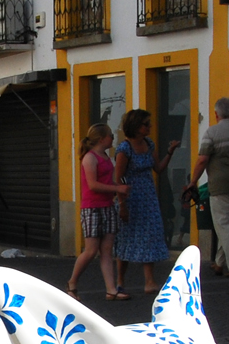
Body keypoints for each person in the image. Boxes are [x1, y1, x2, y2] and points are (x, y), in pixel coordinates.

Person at [113, 109, 179, 294]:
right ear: (136, 126)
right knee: (126, 238)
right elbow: (119, 179)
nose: (149, 127)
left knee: (149, 235)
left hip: (148, 197)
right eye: (146, 124)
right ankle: (120, 280)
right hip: (131, 197)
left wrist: (170, 153)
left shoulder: (149, 144)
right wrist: (123, 205)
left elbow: (158, 168)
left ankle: (149, 280)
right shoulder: (124, 149)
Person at [184, 97, 229, 277]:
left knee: (224, 225)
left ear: (216, 114)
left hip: (219, 185)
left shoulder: (212, 133)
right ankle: (219, 263)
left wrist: (193, 181)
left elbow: (202, 160)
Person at [68, 123, 130, 301]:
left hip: (107, 205)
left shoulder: (105, 157)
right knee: (91, 250)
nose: (113, 138)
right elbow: (92, 184)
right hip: (92, 207)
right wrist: (117, 188)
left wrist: (116, 189)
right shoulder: (90, 158)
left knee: (107, 249)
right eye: (110, 135)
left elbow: (106, 180)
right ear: (102, 138)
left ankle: (111, 289)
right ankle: (72, 282)